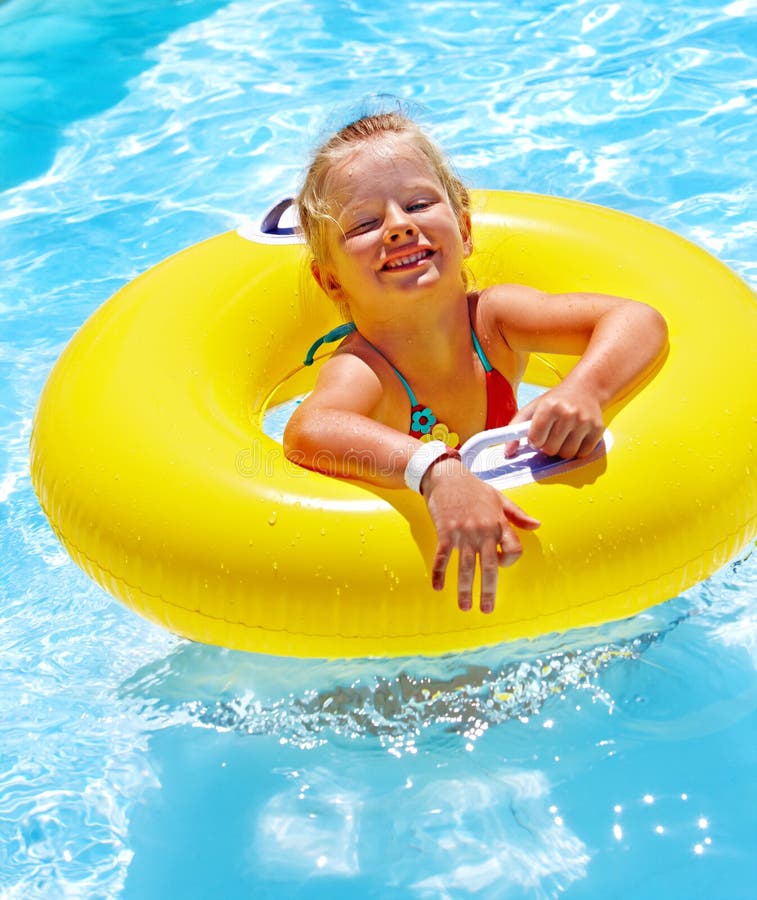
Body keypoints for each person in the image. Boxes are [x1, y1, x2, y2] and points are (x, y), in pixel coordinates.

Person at [283, 112, 669, 615]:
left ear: (463, 229)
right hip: (403, 591)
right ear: (331, 282)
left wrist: (583, 390)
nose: (399, 226)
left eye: (419, 204)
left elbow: (638, 320)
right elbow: (308, 429)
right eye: (364, 223)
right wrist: (437, 472)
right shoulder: (364, 371)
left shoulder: (495, 322)